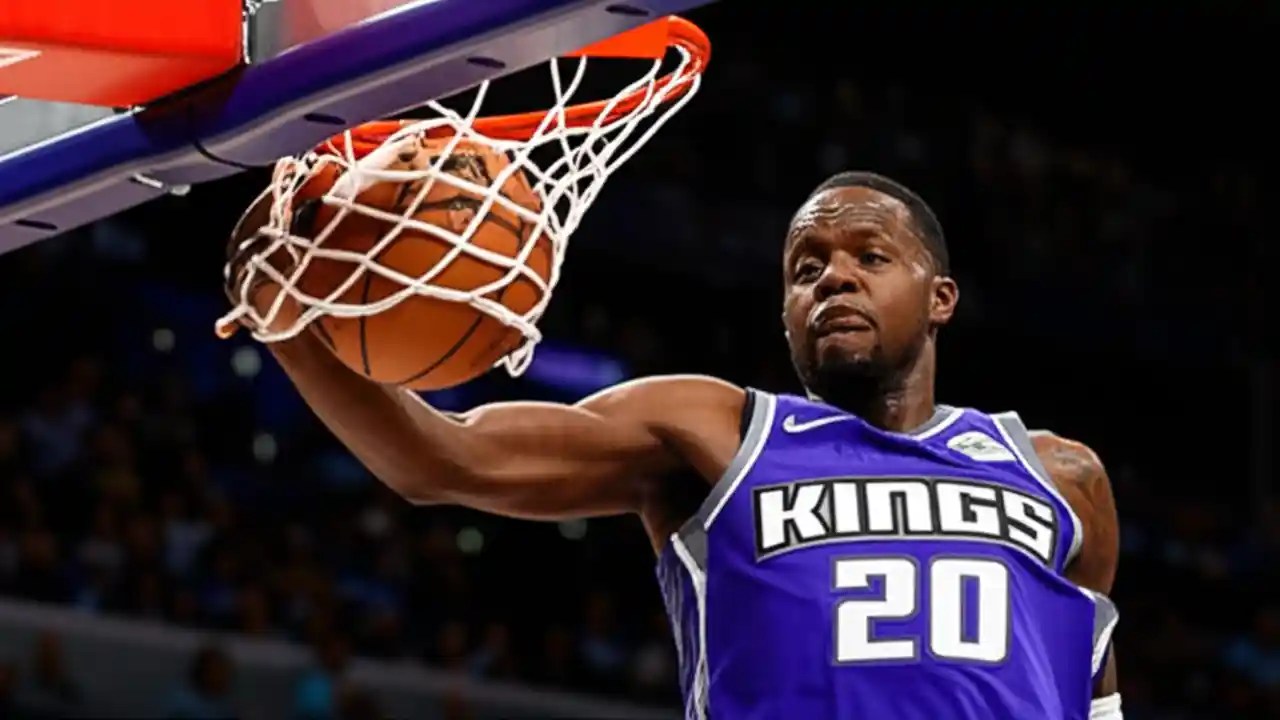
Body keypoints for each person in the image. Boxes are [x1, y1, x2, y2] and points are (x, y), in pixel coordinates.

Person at [227, 171, 1122, 719]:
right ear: (783, 313)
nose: (834, 277)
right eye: (805, 269)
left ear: (942, 298)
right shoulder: (716, 432)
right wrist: (289, 321)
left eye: (870, 257)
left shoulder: (1060, 476)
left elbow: (1094, 701)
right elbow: (443, 458)